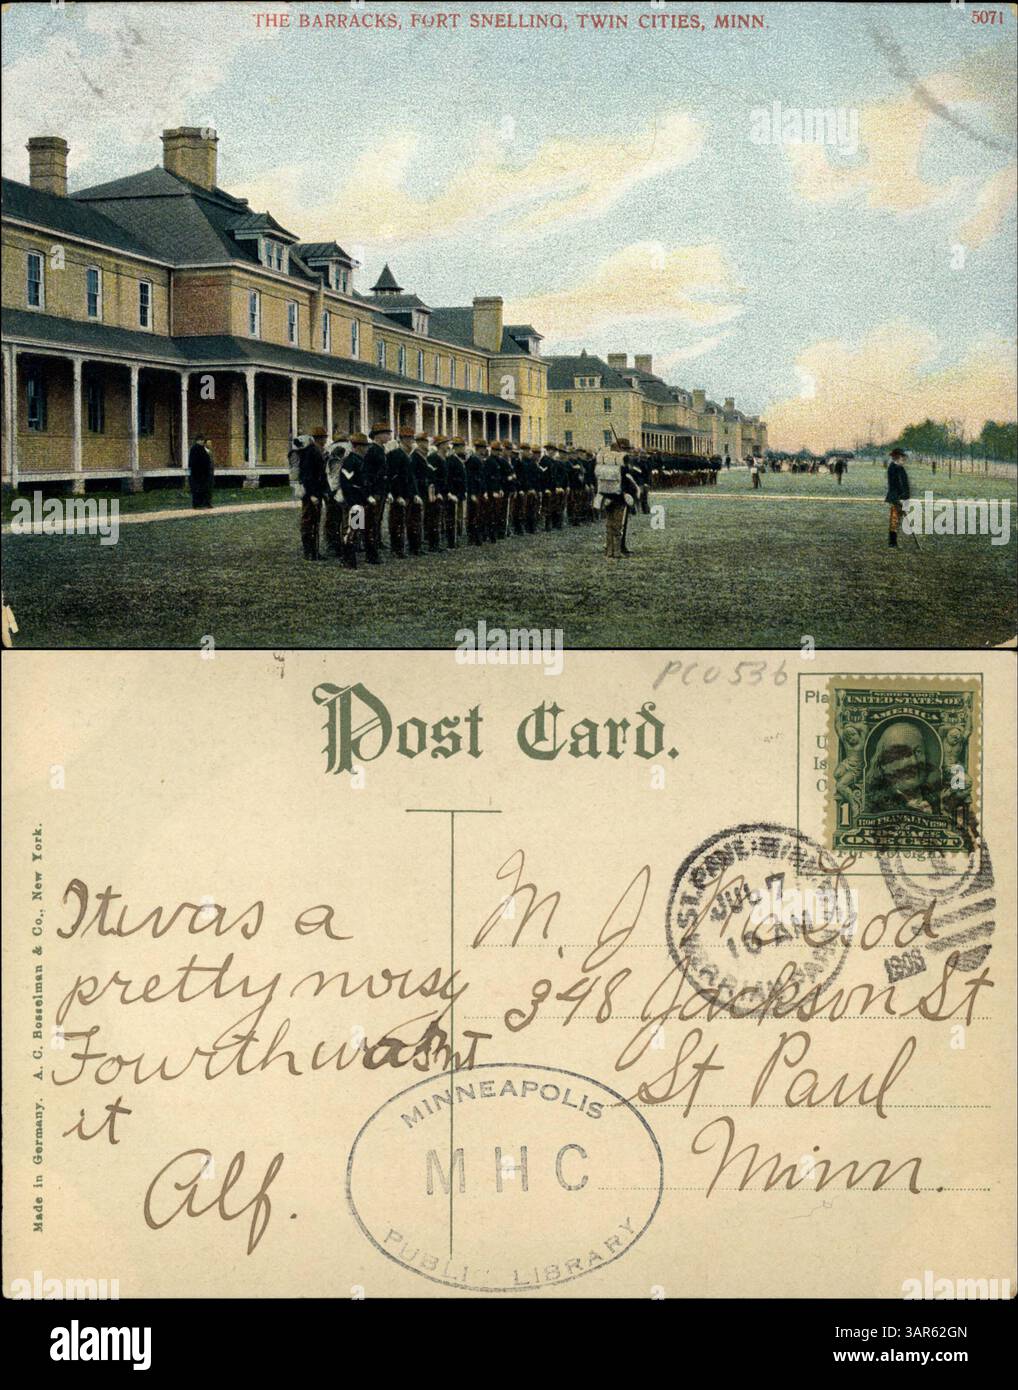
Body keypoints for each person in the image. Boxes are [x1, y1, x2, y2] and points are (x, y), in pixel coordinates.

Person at [864, 720, 940, 816]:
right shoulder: (871, 806)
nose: (913, 762)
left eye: (918, 752)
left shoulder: (938, 799)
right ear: (883, 763)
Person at [336, 433, 369, 568]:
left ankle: (349, 557)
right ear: (357, 447)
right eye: (364, 446)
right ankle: (348, 558)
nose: (366, 449)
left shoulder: (358, 460)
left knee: (355, 528)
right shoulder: (351, 461)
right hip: (353, 500)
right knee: (351, 529)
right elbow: (347, 483)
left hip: (358, 500)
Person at [298, 427, 331, 561]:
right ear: (317, 439)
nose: (324, 440)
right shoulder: (310, 452)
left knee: (315, 521)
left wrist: (324, 491)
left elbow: (321, 475)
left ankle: (314, 551)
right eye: (323, 437)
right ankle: (309, 551)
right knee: (309, 521)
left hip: (317, 491)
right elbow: (307, 475)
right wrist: (312, 494)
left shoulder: (318, 451)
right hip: (311, 492)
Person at [362, 425, 391, 564]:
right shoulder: (372, 451)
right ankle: (371, 553)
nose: (388, 436)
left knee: (377, 520)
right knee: (371, 522)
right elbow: (368, 474)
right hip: (375, 492)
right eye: (386, 433)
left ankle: (376, 545)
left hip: (381, 491)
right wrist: (371, 493)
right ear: (377, 435)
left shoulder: (380, 449)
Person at [595, 441, 628, 560]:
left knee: (609, 524)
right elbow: (626, 481)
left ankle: (609, 551)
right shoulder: (622, 465)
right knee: (618, 525)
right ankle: (617, 552)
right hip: (618, 497)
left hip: (606, 496)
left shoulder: (602, 464)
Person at [323, 432, 350, 557]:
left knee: (333, 518)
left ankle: (333, 544)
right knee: (349, 517)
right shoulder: (350, 448)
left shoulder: (328, 450)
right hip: (346, 486)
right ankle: (350, 544)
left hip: (331, 486)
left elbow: (327, 471)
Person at [424, 435, 448, 552]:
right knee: (434, 518)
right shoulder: (433, 458)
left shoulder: (444, 458)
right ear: (441, 445)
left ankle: (437, 542)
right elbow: (432, 477)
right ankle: (433, 544)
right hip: (435, 492)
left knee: (439, 517)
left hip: (442, 492)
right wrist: (437, 492)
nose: (448, 446)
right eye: (446, 443)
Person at [885, 447, 910, 548]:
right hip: (896, 497)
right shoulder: (893, 468)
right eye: (901, 457)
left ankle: (893, 541)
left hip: (902, 497)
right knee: (894, 519)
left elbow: (904, 484)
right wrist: (898, 498)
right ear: (896, 457)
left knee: (897, 519)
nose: (903, 459)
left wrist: (906, 496)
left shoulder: (900, 468)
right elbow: (895, 485)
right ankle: (892, 542)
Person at [445, 437, 468, 547]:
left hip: (459, 493)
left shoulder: (459, 460)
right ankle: (451, 541)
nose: (464, 449)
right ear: (457, 448)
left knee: (458, 516)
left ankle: (456, 538)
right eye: (462, 446)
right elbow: (449, 478)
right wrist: (450, 493)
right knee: (452, 517)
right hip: (453, 493)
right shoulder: (450, 460)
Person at [188, 435, 214, 509]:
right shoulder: (196, 448)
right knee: (198, 489)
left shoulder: (200, 449)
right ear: (198, 440)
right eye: (202, 440)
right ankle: (197, 504)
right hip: (198, 473)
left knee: (204, 489)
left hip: (203, 473)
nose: (203, 442)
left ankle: (203, 503)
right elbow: (195, 462)